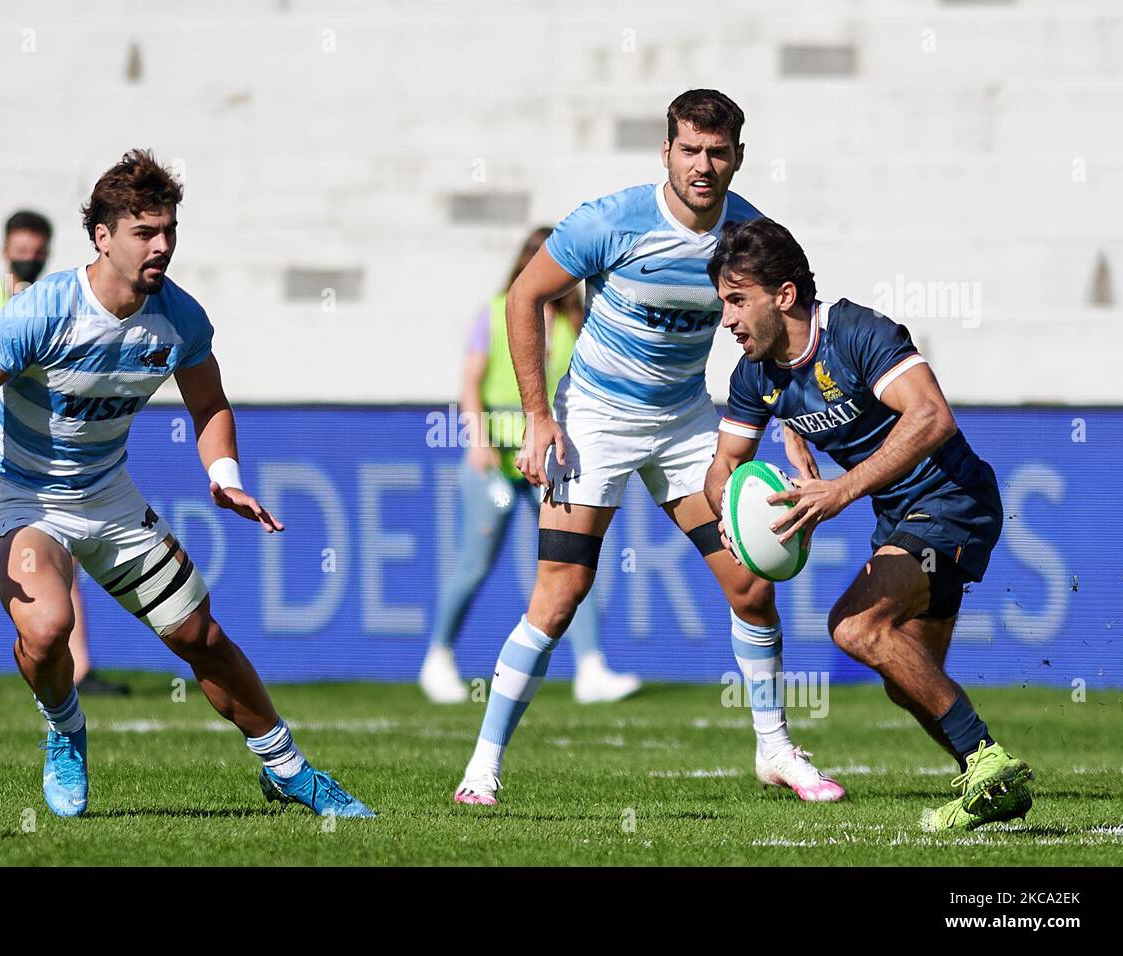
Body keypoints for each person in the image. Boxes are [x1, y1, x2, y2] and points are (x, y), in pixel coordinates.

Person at [0, 150, 374, 819]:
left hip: (109, 498)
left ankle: (287, 769)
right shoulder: (42, 312)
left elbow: (208, 405)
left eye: (168, 231)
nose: (161, 245)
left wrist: (224, 475)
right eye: (144, 232)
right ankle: (64, 726)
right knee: (47, 629)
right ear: (102, 238)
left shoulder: (180, 317)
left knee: (199, 636)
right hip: (25, 496)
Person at [453, 90, 844, 806]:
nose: (703, 165)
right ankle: (483, 767)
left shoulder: (753, 233)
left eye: (718, 152)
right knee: (560, 595)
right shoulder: (611, 221)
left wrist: (790, 427)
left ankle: (775, 750)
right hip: (593, 420)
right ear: (665, 152)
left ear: (737, 157)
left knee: (751, 584)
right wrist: (540, 418)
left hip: (687, 423)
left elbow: (781, 334)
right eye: (690, 149)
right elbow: (524, 296)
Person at [703, 217, 1032, 831]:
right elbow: (723, 467)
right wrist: (728, 513)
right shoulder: (755, 375)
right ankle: (989, 784)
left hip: (954, 499)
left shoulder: (856, 333)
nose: (727, 319)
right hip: (900, 516)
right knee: (907, 682)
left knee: (854, 626)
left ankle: (987, 759)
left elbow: (932, 415)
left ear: (785, 295)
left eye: (737, 300)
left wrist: (842, 489)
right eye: (724, 303)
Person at [420, 227, 642, 705]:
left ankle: (590, 667)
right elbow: (471, 385)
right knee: (475, 562)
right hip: (498, 461)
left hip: (551, 459)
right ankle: (437, 659)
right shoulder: (495, 313)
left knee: (571, 559)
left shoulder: (572, 321)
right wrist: (478, 443)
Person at [0, 211, 125, 696]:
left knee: (65, 559)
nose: (29, 256)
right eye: (21, 248)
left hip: (47, 457)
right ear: (5, 249)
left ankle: (79, 669)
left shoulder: (57, 303)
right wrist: (16, 392)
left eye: (38, 249)